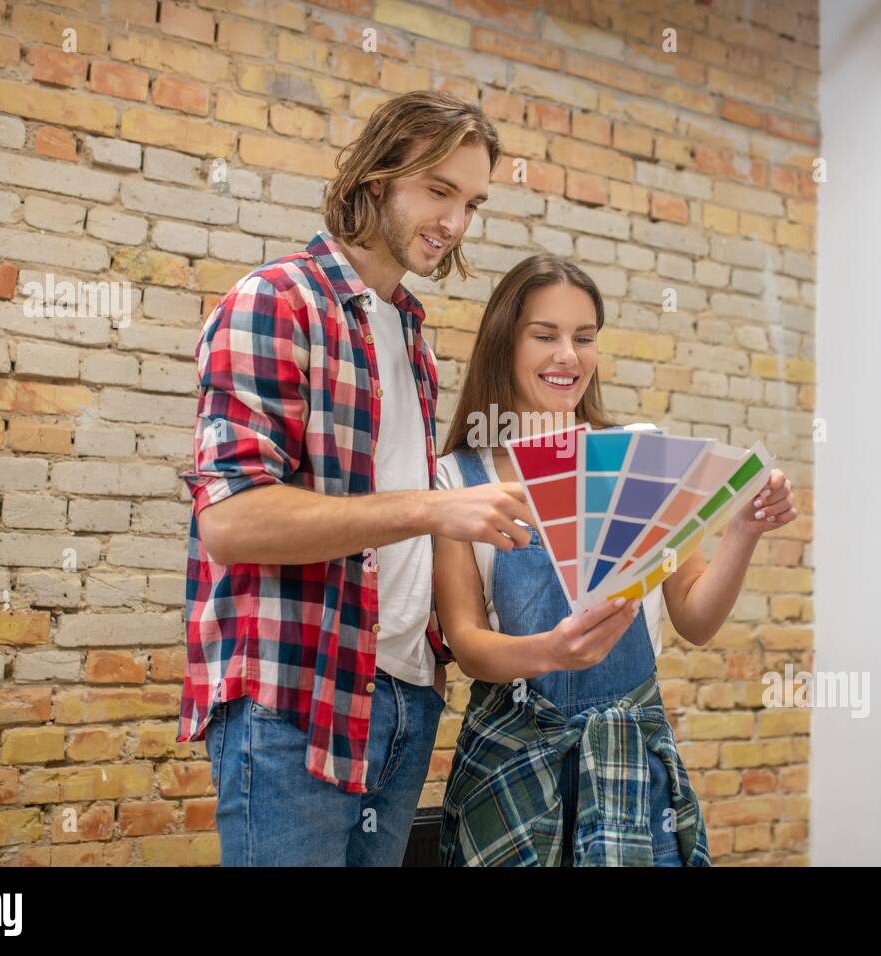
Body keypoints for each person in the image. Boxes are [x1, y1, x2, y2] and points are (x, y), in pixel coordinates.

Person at [177, 91, 637, 867]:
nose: (455, 223)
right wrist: (437, 507)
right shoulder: (277, 302)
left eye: (472, 203)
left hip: (403, 696)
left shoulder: (407, 331)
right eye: (438, 191)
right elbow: (232, 520)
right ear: (378, 176)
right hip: (298, 695)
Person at [434, 254, 798, 866]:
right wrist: (548, 652)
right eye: (545, 335)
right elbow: (466, 643)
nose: (567, 356)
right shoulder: (460, 478)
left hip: (632, 771)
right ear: (505, 343)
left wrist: (742, 531)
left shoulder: (639, 457)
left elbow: (695, 618)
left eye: (584, 337)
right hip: (512, 767)